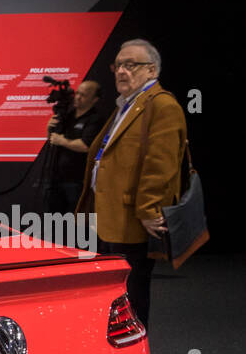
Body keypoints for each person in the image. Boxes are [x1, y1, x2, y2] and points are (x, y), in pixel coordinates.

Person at [77, 39, 187, 328]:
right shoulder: (129, 104)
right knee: (116, 293)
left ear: (151, 70)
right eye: (118, 65)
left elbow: (161, 164)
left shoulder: (162, 105)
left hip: (132, 220)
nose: (121, 71)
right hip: (111, 215)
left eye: (131, 65)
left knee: (132, 295)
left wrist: (150, 210)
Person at [44, 79, 105, 214]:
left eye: (83, 95)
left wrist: (62, 141)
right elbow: (53, 141)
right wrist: (50, 129)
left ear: (94, 99)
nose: (78, 97)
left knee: (76, 220)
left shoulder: (95, 119)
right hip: (56, 177)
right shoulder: (68, 115)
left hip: (77, 180)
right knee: (54, 219)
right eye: (77, 93)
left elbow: (86, 146)